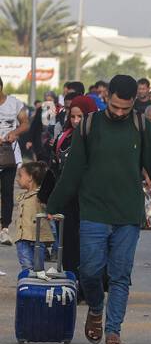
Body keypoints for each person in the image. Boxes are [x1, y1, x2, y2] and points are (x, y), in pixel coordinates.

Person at [46, 75, 151, 344]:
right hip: (94, 211)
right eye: (116, 107)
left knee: (120, 274)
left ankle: (113, 331)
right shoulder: (89, 125)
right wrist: (54, 205)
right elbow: (72, 172)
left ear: (134, 103)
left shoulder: (141, 126)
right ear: (107, 98)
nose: (120, 113)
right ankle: (96, 307)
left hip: (127, 215)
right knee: (90, 272)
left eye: (126, 108)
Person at [37, 94, 95, 278]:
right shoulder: (63, 138)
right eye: (73, 116)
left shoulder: (98, 138)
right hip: (69, 199)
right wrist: (46, 196)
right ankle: (73, 283)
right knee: (69, 242)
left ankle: (91, 286)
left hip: (92, 200)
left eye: (81, 117)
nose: (76, 121)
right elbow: (54, 168)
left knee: (90, 244)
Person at [0, 78, 30, 246]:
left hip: (9, 156)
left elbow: (25, 123)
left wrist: (14, 133)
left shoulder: (14, 103)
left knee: (6, 191)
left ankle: (4, 229)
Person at [14, 161, 53, 271]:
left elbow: (48, 206)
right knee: (26, 265)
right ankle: (28, 282)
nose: (18, 179)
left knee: (38, 267)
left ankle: (36, 283)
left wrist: (50, 212)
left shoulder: (40, 196)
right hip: (22, 237)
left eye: (20, 176)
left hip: (37, 238)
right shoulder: (22, 196)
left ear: (30, 178)